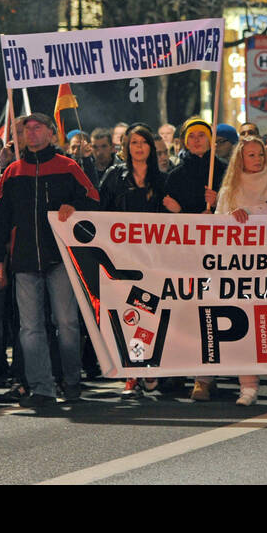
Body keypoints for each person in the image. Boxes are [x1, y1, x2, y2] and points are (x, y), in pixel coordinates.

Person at [0, 113, 100, 408]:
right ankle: (42, 386)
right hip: (23, 260)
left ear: (51, 133)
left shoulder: (68, 167)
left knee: (66, 322)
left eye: (38, 128)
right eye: (27, 130)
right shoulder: (12, 172)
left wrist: (74, 206)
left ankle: (71, 380)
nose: (32, 134)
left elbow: (94, 199)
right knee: (30, 327)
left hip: (60, 257)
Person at [207, 136, 267, 406]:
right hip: (241, 271)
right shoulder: (229, 191)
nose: (257, 159)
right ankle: (248, 386)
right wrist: (231, 217)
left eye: (260, 154)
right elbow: (215, 231)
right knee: (246, 326)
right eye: (251, 155)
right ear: (240, 159)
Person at [97, 124, 169, 399]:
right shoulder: (114, 177)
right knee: (127, 316)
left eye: (144, 142)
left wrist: (173, 209)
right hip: (121, 261)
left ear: (151, 147)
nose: (139, 147)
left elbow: (176, 223)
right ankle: (132, 371)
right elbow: (98, 212)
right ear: (126, 147)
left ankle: (147, 368)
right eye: (134, 142)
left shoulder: (161, 179)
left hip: (152, 262)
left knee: (147, 316)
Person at [164, 117, 226, 214]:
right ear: (186, 142)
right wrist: (180, 211)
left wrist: (217, 204)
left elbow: (236, 205)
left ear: (210, 140)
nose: (196, 140)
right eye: (191, 136)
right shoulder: (175, 176)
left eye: (201, 135)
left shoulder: (226, 170)